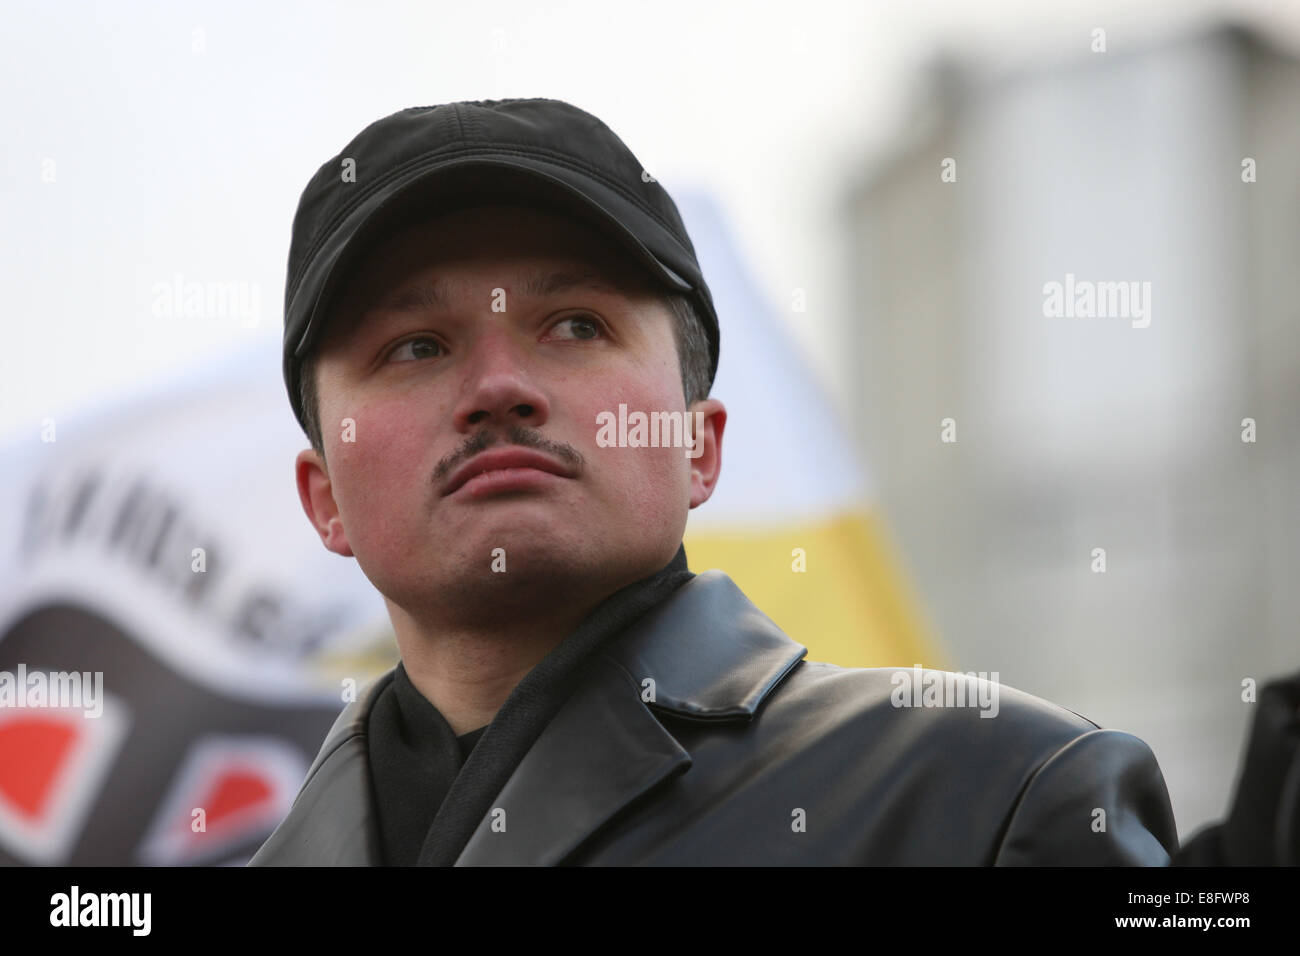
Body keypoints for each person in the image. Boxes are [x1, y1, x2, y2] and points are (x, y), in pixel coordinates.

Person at [249, 98, 1179, 865]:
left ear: (700, 444)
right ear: (324, 498)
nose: (499, 388)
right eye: (416, 346)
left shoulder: (994, 792)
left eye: (575, 325)